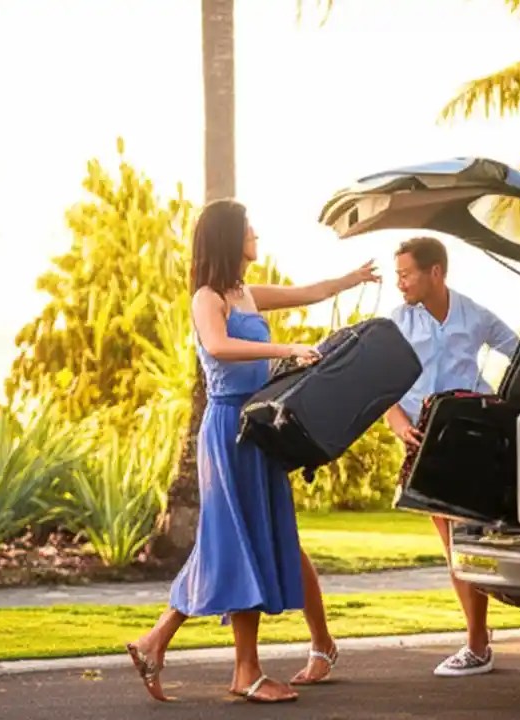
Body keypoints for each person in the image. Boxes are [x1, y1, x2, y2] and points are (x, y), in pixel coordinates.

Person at [126, 198, 379, 704]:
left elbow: (309, 293)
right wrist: (285, 350)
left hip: (258, 427)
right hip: (228, 429)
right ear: (228, 238)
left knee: (243, 537)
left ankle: (156, 642)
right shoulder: (208, 298)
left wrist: (352, 279)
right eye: (248, 229)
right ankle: (245, 672)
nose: (256, 236)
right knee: (236, 541)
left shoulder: (246, 294)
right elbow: (218, 347)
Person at [383, 235, 518, 678]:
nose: (399, 282)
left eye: (407, 274)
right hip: (424, 440)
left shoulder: (473, 315)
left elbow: (518, 351)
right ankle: (478, 638)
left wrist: (500, 405)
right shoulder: (398, 324)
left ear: (435, 272)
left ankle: (478, 644)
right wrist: (401, 427)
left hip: (469, 435)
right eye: (398, 274)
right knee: (452, 545)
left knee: (466, 541)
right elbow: (381, 387)